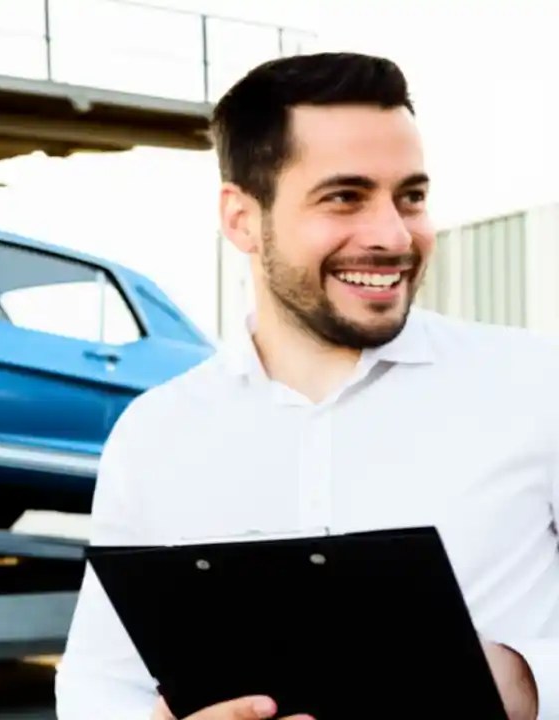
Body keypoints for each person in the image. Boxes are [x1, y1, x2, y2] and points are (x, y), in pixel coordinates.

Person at [54, 51, 558, 720]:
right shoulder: (154, 435)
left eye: (410, 196)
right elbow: (99, 683)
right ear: (240, 219)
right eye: (344, 197)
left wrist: (527, 684)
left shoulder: (534, 387)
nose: (392, 235)